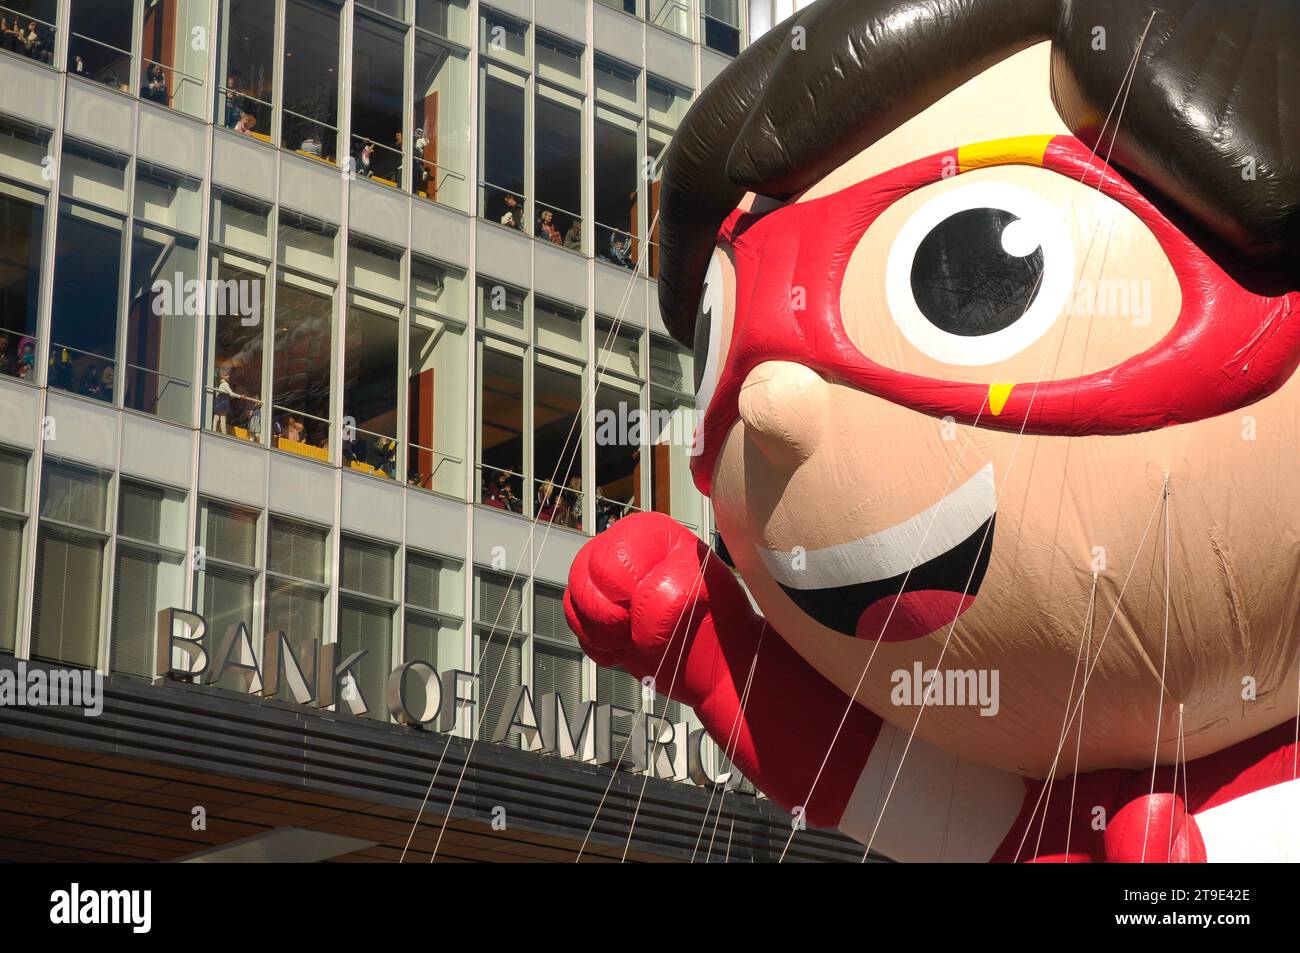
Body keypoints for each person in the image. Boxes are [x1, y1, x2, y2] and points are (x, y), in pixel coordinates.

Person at [211, 367, 240, 433]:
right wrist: (240, 396)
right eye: (227, 375)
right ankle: (224, 433)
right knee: (223, 417)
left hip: (219, 401)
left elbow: (217, 394)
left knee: (217, 416)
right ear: (222, 376)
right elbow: (231, 393)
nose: (228, 376)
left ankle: (214, 430)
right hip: (223, 402)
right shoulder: (225, 384)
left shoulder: (220, 384)